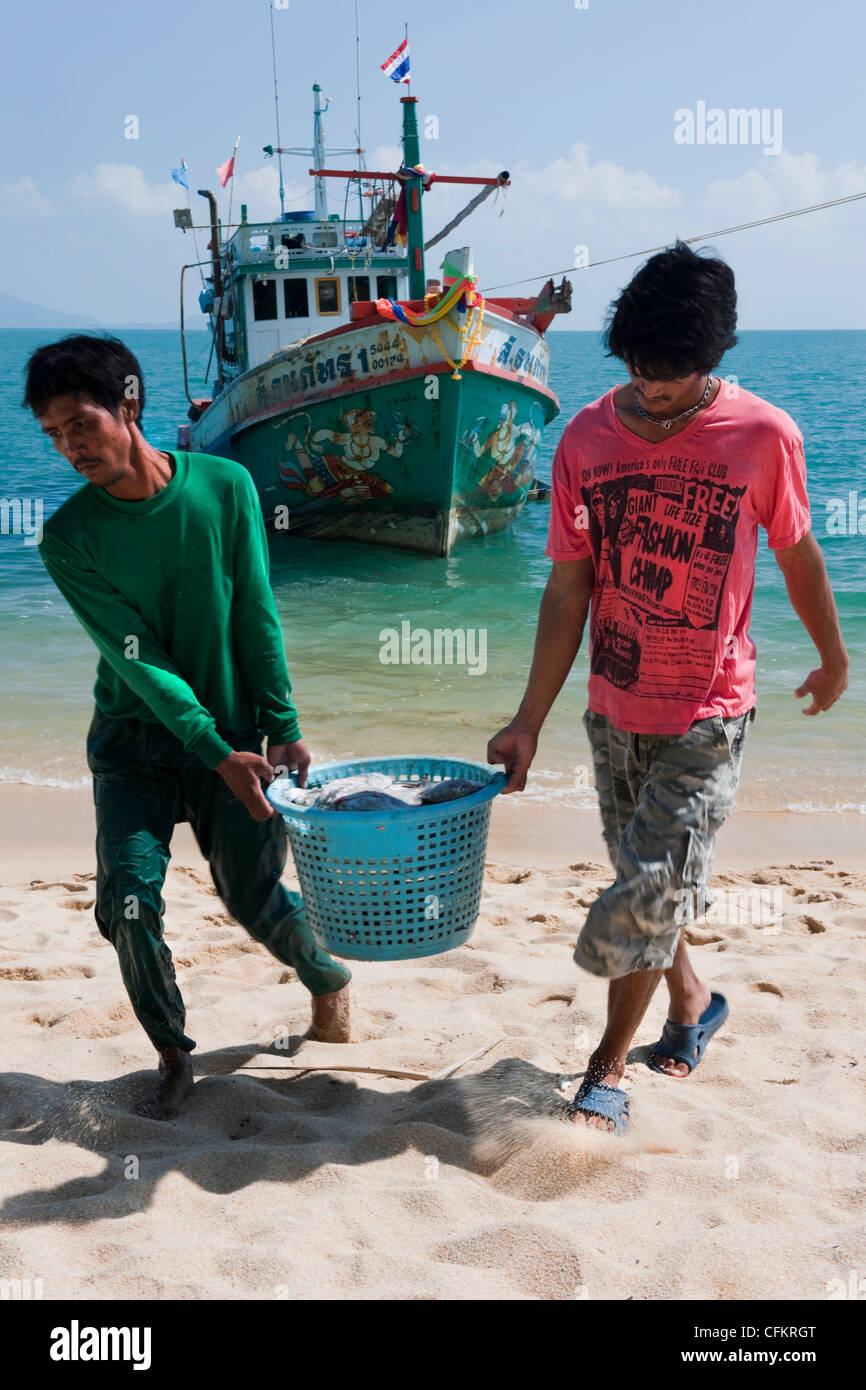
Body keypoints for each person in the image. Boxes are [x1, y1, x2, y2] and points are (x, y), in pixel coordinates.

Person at [488, 242, 849, 1135]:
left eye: (672, 375)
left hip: (710, 709)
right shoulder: (583, 438)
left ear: (714, 358)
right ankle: (693, 1006)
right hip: (614, 705)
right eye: (638, 370)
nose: (651, 390)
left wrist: (834, 657)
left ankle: (607, 1068)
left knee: (649, 888)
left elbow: (798, 551)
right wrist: (527, 719)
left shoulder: (765, 436)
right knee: (651, 881)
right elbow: (569, 586)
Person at [24, 335, 353, 1120]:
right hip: (137, 744)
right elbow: (140, 662)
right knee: (129, 900)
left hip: (238, 735)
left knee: (252, 895)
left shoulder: (227, 487)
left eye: (80, 424)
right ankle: (173, 1052)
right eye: (53, 434)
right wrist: (210, 750)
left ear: (129, 404)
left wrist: (282, 724)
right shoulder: (68, 537)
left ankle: (328, 980)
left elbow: (254, 614)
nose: (70, 446)